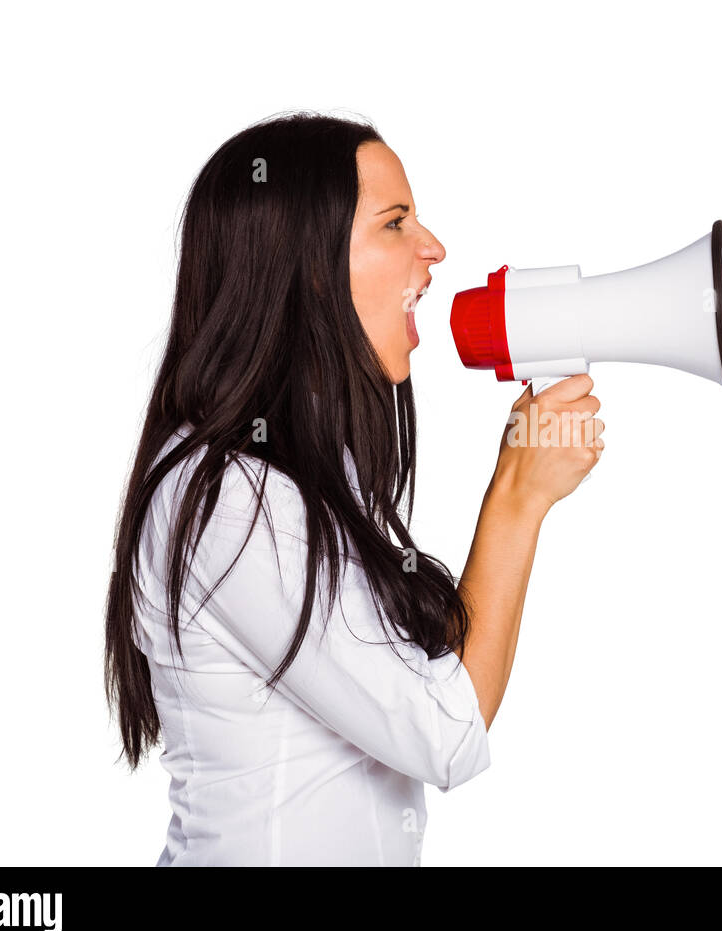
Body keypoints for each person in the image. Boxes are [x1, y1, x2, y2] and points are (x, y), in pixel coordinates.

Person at [103, 112, 604, 865]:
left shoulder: (307, 474)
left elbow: (418, 687)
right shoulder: (231, 503)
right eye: (395, 223)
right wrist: (518, 498)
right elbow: (443, 732)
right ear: (304, 265)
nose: (433, 248)